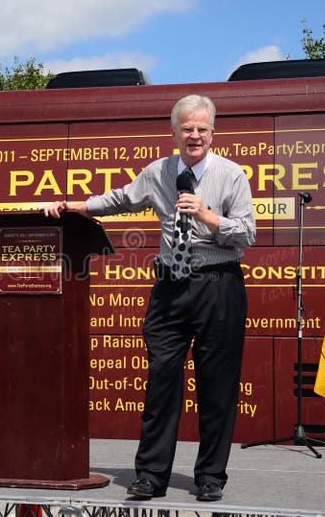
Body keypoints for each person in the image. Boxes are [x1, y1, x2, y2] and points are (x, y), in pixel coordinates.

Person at [44, 94, 256, 502]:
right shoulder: (158, 172)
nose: (194, 135)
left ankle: (210, 477)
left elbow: (247, 233)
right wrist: (72, 205)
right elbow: (121, 199)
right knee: (161, 381)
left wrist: (206, 214)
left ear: (213, 133)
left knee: (216, 388)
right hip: (170, 289)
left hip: (218, 286)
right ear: (174, 132)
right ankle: (151, 476)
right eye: (187, 128)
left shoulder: (231, 175)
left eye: (202, 129)